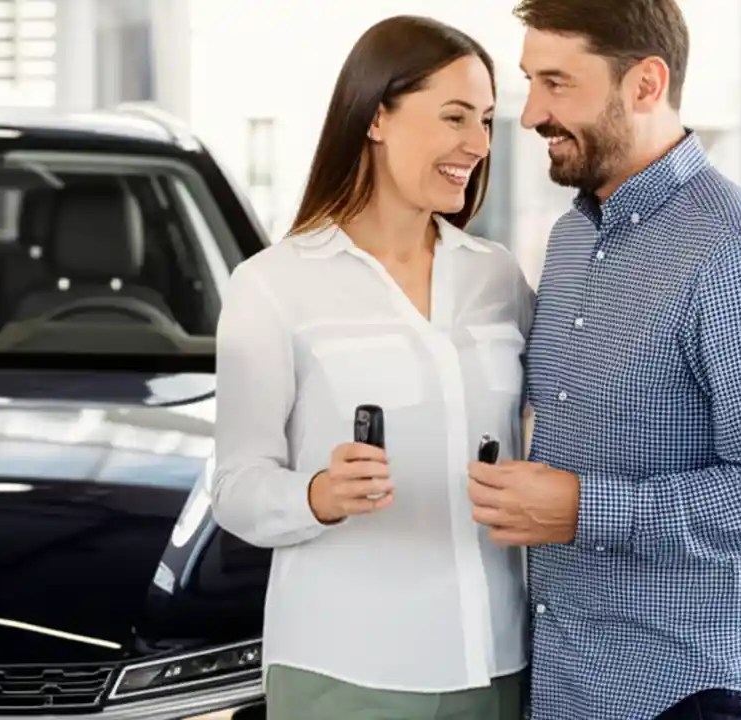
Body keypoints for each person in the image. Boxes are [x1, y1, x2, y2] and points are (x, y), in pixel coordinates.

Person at [466, 1, 741, 719]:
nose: (532, 114)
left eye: (557, 83)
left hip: (699, 694)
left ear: (645, 84)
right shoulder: (572, 239)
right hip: (573, 687)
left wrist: (585, 508)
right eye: (531, 82)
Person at [210, 14, 532, 720]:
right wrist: (318, 495)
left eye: (485, 121)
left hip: (497, 665)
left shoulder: (498, 277)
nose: (479, 144)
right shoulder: (273, 285)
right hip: (346, 671)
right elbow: (234, 487)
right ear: (377, 116)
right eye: (455, 117)